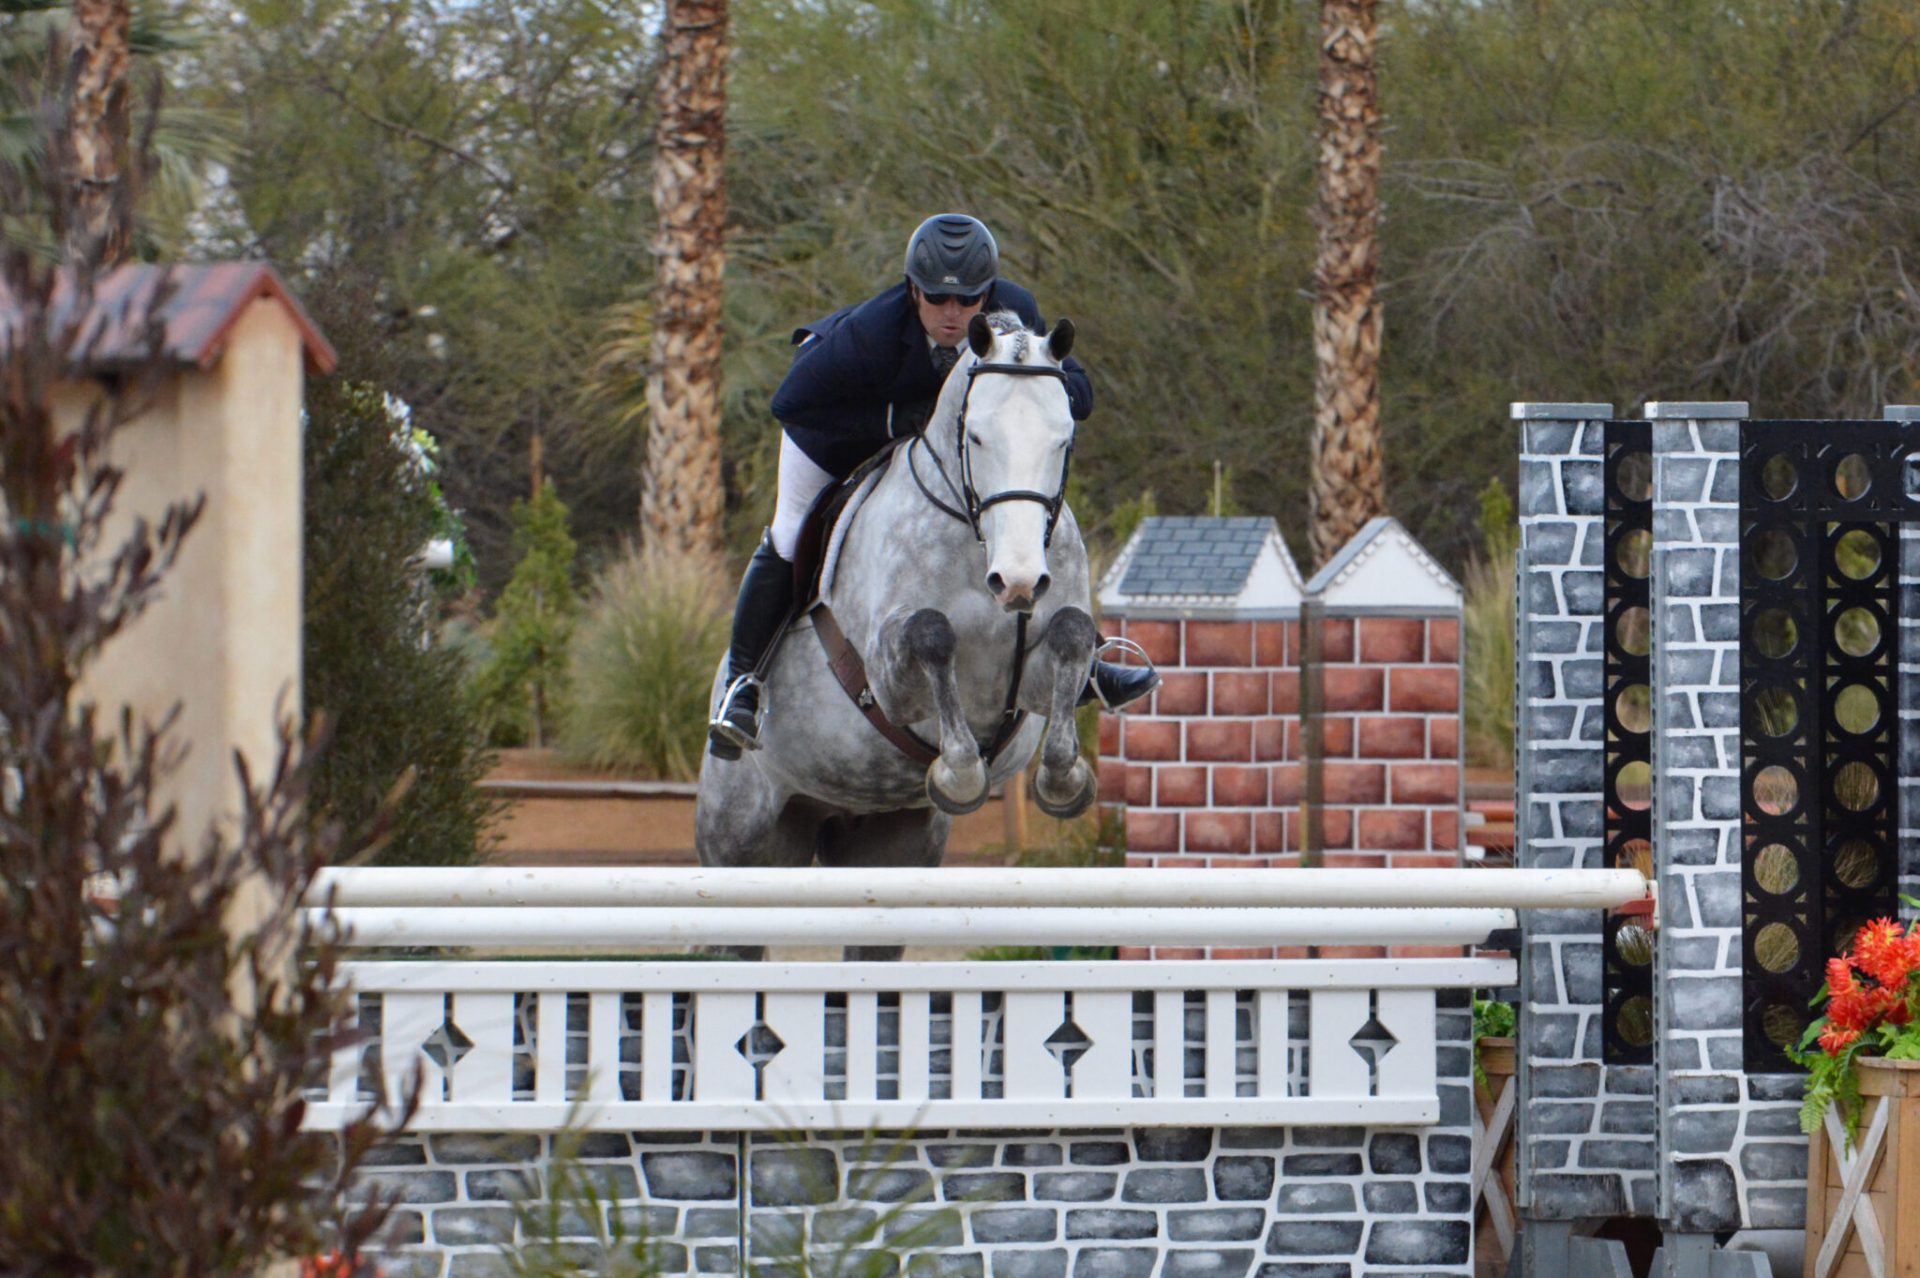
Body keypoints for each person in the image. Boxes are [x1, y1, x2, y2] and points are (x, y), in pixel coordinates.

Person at [708, 213, 1159, 759]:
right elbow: (791, 404)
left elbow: (1080, 393)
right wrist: (898, 419)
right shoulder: (869, 334)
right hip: (834, 432)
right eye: (938, 301)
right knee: (787, 533)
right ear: (912, 290)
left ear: (986, 294)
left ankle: (1083, 665)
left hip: (943, 443)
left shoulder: (1012, 311)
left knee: (1021, 508)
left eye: (968, 302)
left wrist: (1041, 381)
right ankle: (743, 684)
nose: (952, 316)